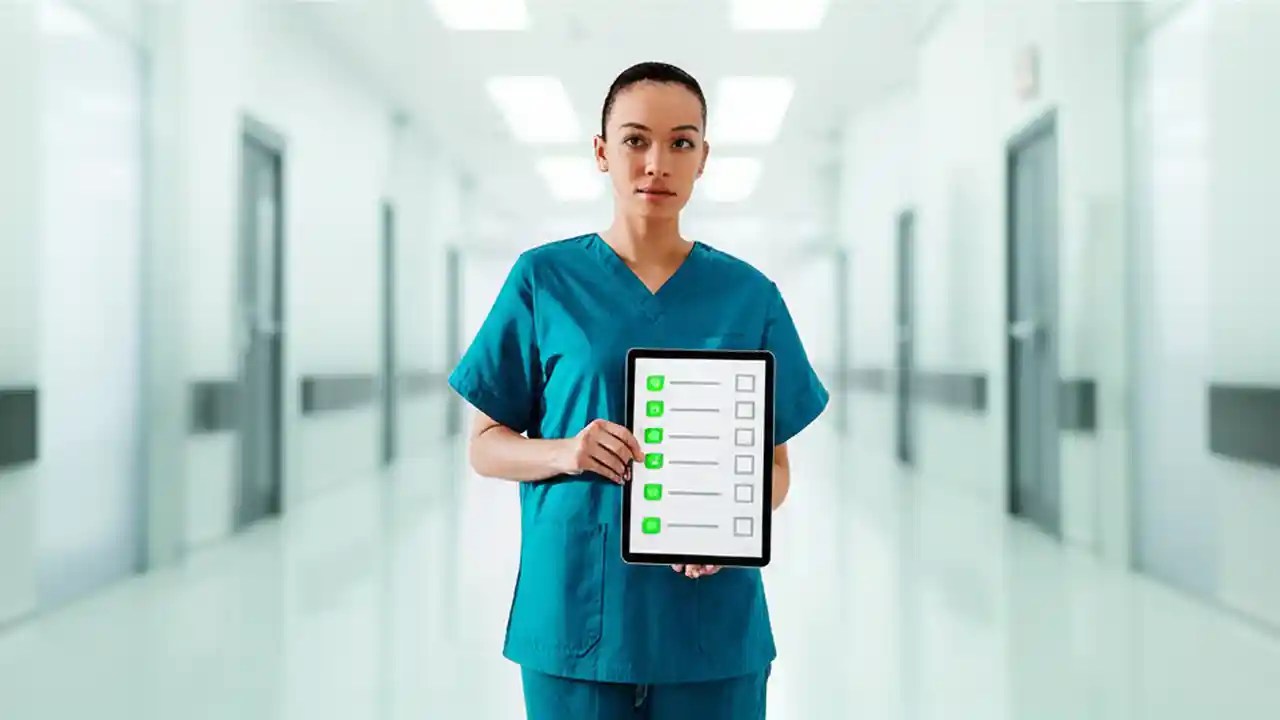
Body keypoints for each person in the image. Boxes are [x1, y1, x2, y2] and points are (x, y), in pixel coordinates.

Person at [447, 61, 829, 719]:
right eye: (635, 140)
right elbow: (484, 446)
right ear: (602, 152)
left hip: (710, 624)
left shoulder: (748, 295)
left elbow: (776, 469)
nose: (657, 163)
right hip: (576, 615)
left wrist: (728, 525)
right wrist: (566, 451)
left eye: (681, 142)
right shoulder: (544, 279)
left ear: (703, 157)